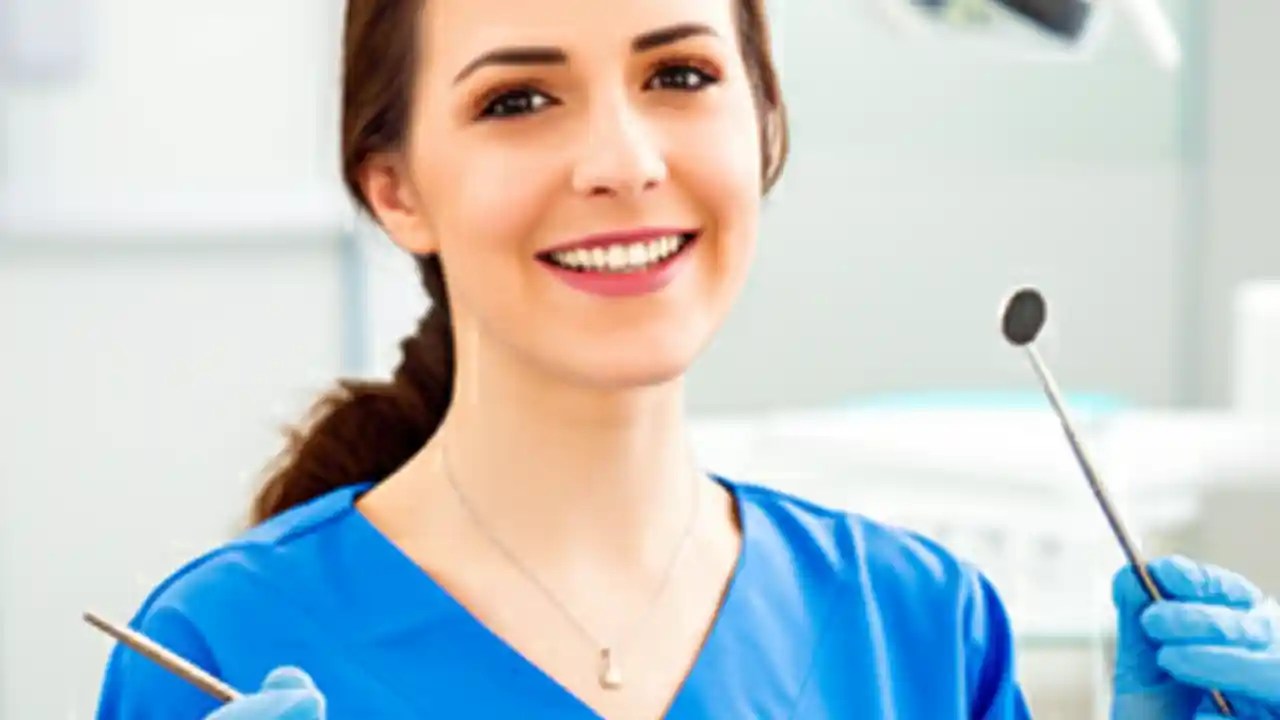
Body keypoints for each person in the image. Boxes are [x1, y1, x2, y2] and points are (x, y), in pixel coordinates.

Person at [93, 0, 1280, 717]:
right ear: (396, 188)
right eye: (517, 99)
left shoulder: (915, 626)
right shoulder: (220, 652)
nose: (621, 160)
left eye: (679, 76)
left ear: (762, 126)